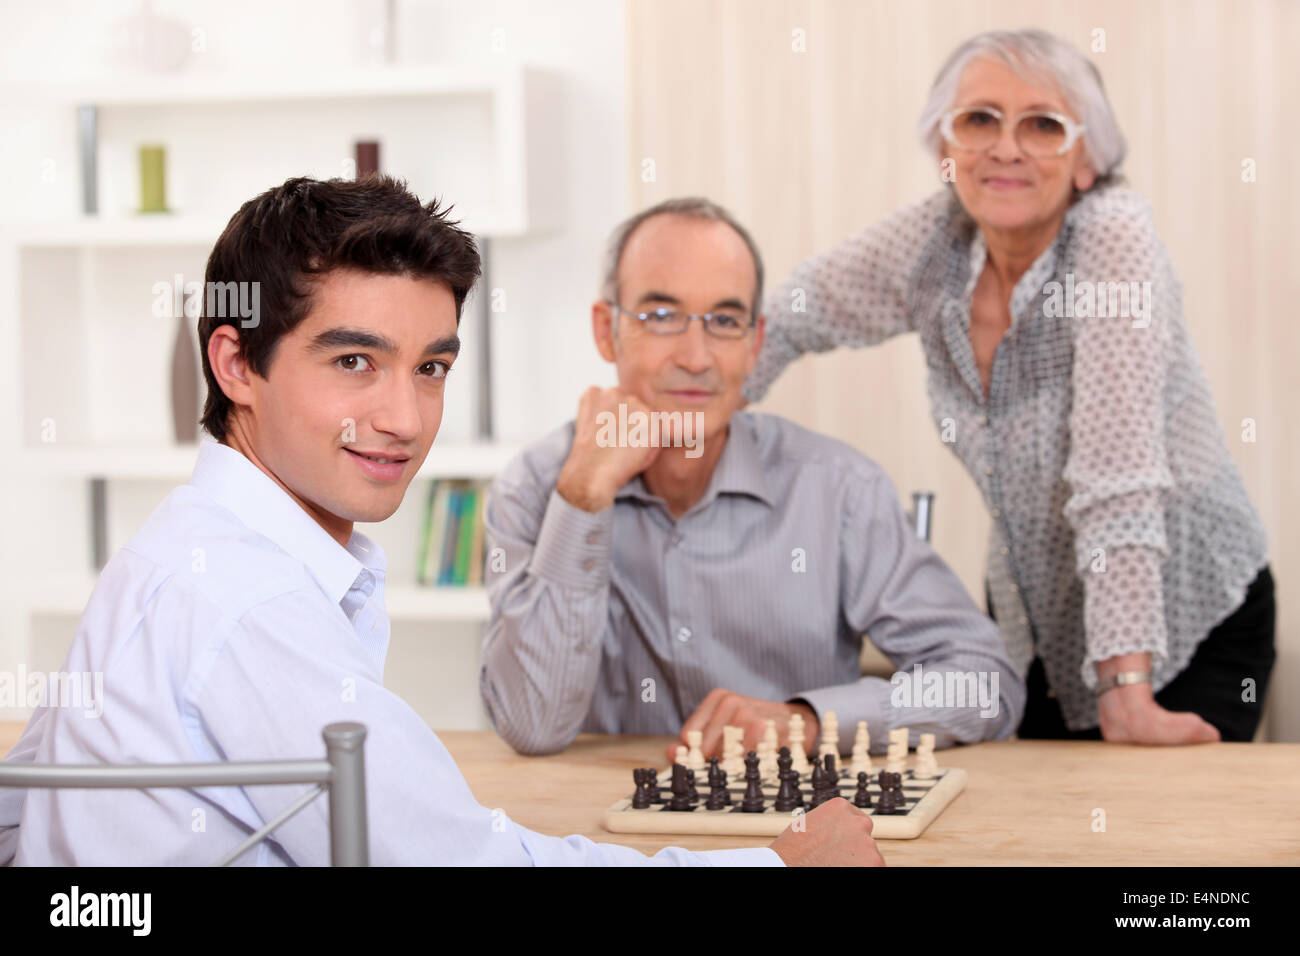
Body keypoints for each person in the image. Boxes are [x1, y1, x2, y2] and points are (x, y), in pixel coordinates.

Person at [0, 175, 881, 867]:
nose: (406, 418)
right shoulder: (247, 601)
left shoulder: (184, 549)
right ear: (235, 363)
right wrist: (781, 867)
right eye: (354, 360)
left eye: (430, 367)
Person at [745, 29, 1274, 744]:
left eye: (1043, 126)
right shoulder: (931, 243)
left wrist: (1125, 690)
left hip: (1181, 613)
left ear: (1087, 160)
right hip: (1037, 614)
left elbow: (1116, 483)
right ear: (944, 148)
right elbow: (790, 314)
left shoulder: (1114, 243)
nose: (1006, 148)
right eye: (979, 120)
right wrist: (682, 413)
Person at [480, 197, 1025, 765]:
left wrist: (810, 721)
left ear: (755, 341)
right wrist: (584, 498)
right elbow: (531, 726)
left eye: (724, 321)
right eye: (661, 316)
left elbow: (986, 684)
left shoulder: (838, 490)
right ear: (606, 330)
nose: (696, 357)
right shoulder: (538, 487)